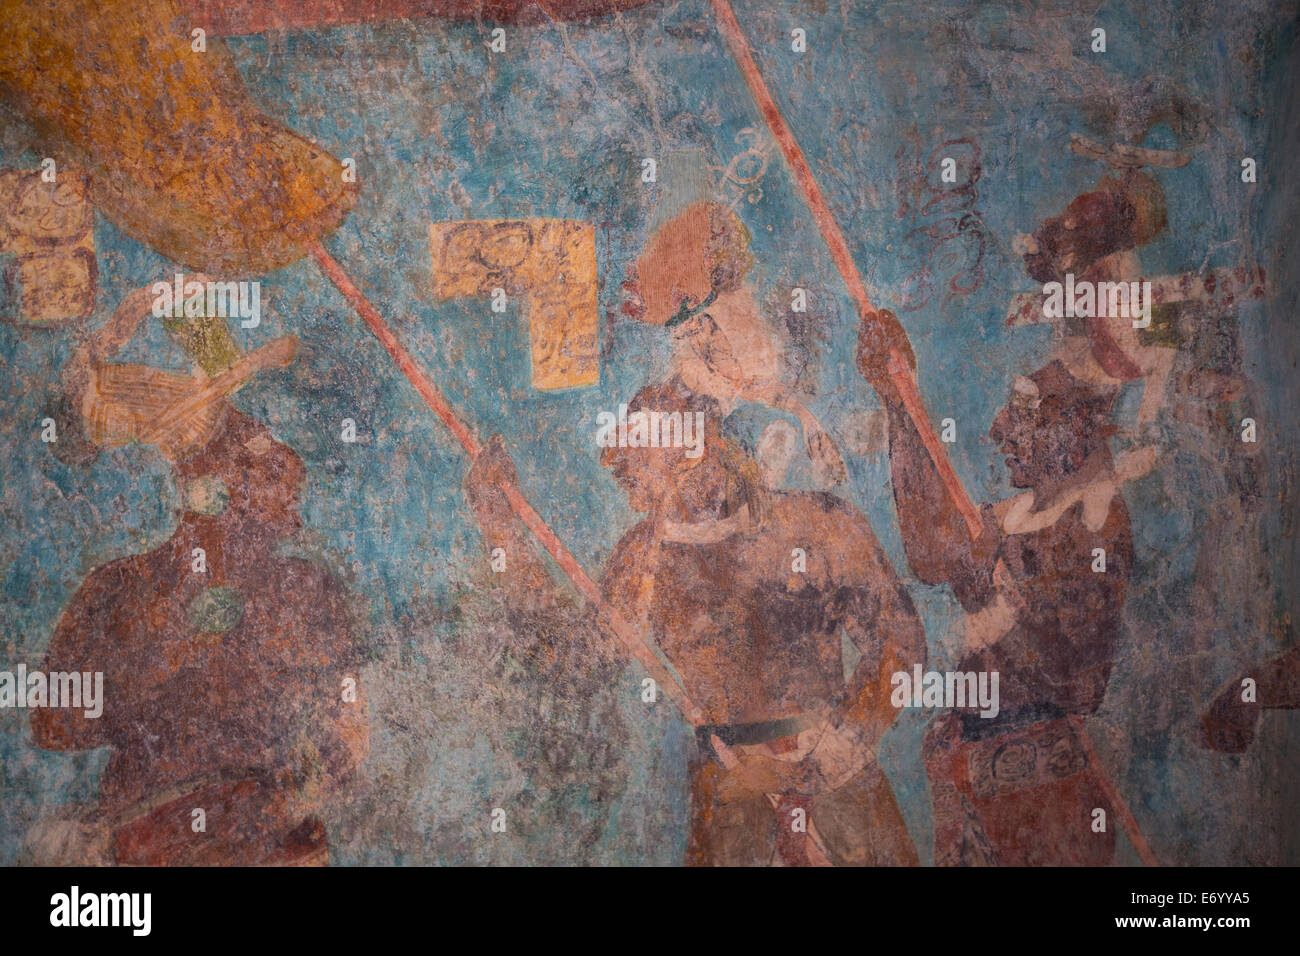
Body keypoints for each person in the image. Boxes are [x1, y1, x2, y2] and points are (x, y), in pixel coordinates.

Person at [464, 378, 924, 865]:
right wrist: (502, 533)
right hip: (731, 798)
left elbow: (902, 647)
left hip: (840, 792)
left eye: (638, 441)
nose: (614, 460)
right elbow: (576, 669)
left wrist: (814, 770)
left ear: (694, 446)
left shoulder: (818, 524)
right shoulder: (643, 558)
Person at [859, 309, 1149, 865]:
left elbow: (1080, 685)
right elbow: (931, 553)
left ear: (1076, 430)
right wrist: (898, 402)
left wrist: (994, 602)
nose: (999, 429)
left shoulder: (1096, 525)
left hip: (1046, 801)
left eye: (1025, 414)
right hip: (974, 779)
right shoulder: (1014, 517)